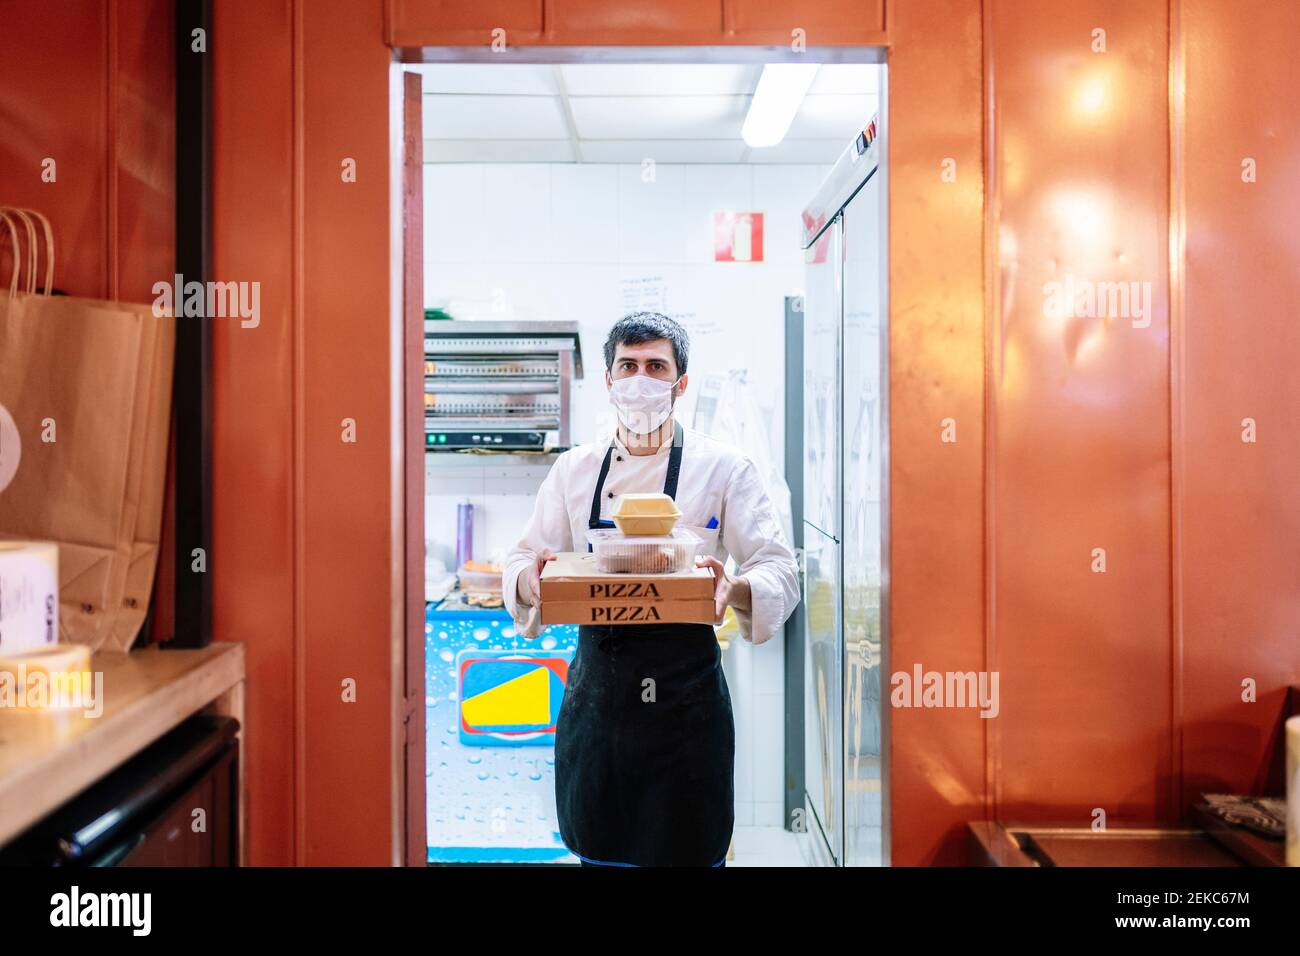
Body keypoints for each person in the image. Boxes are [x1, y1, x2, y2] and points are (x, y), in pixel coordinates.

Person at [502, 311, 800, 867]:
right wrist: (532, 575)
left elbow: (778, 567)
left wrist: (733, 587)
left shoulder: (725, 469)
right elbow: (521, 558)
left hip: (685, 705)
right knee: (601, 852)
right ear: (610, 381)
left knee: (688, 853)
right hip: (599, 703)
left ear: (680, 383)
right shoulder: (575, 469)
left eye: (656, 366)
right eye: (628, 366)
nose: (641, 379)